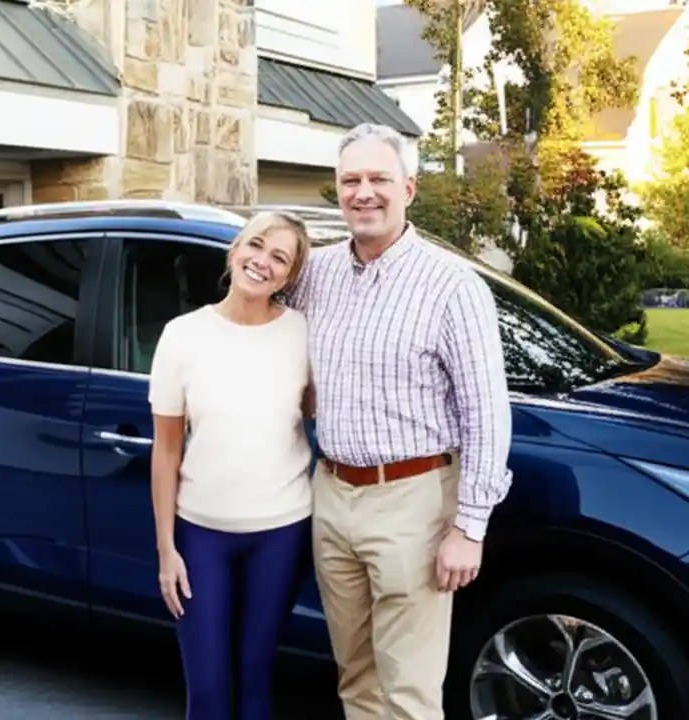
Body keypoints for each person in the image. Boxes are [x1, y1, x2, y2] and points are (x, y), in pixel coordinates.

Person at [286, 123, 513, 720]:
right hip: (333, 496)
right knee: (355, 675)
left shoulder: (452, 286)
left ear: (409, 188)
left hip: (414, 501)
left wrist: (470, 527)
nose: (364, 193)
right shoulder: (317, 275)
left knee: (409, 692)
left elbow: (486, 412)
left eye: (379, 179)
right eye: (350, 181)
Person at [148, 210, 315, 720]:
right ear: (234, 249)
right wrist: (166, 551)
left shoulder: (302, 334)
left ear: (289, 276)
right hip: (202, 535)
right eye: (256, 245)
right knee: (210, 693)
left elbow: (316, 411)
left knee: (255, 687)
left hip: (281, 533)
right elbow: (167, 450)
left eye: (279, 258)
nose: (262, 262)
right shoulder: (182, 336)